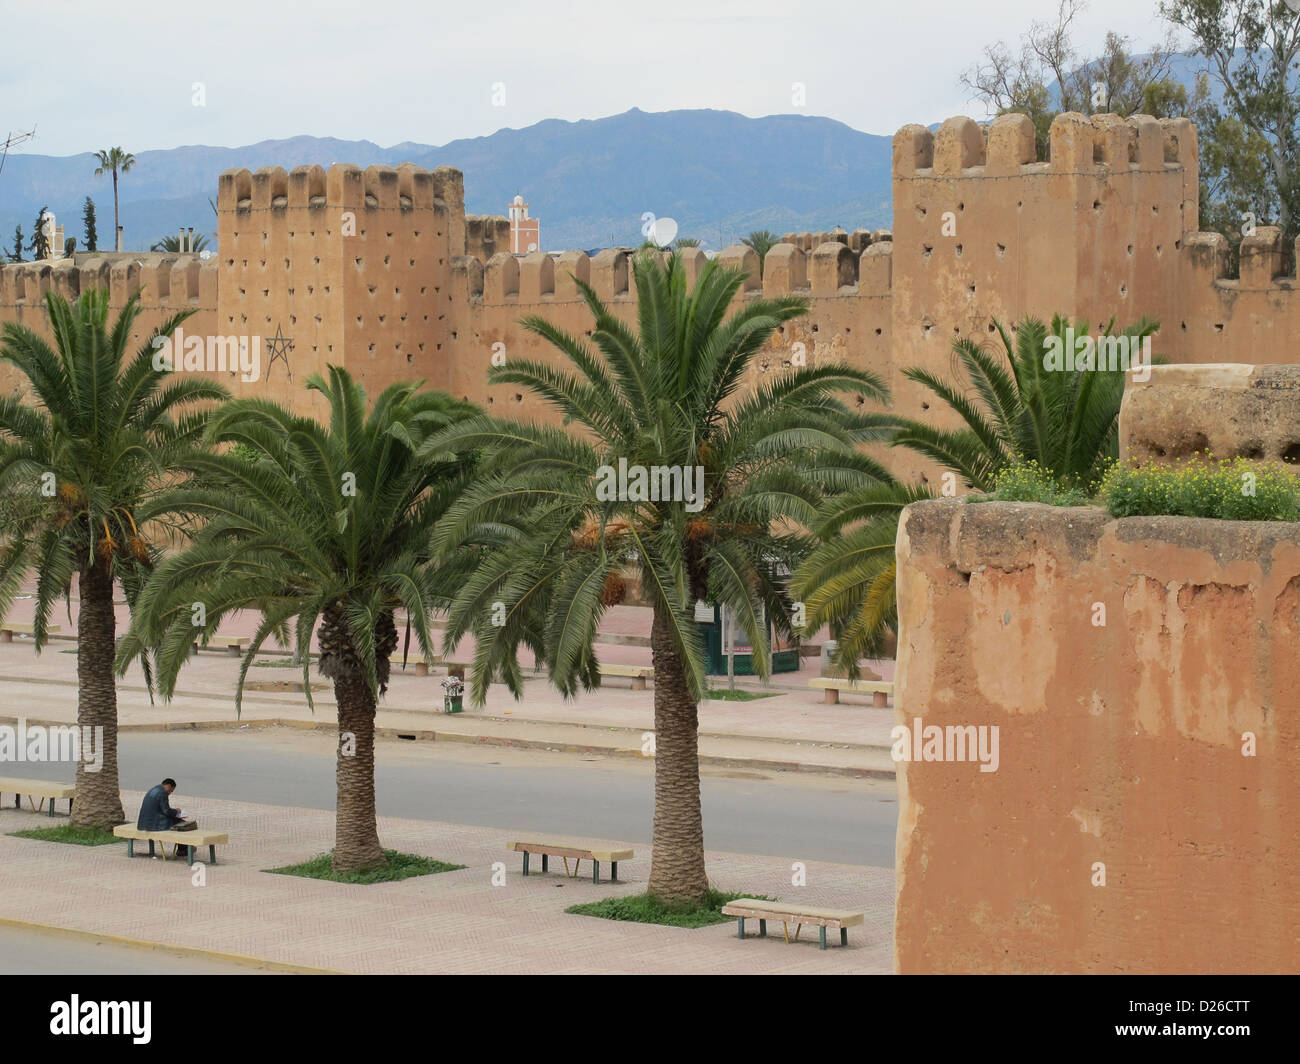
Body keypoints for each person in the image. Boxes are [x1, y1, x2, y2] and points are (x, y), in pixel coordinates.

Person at [136, 778, 197, 858]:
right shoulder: (162, 793)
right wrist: (177, 812)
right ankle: (183, 849)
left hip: (143, 823)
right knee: (182, 824)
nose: (170, 793)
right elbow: (166, 811)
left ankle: (182, 848)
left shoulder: (154, 789)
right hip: (154, 824)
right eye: (171, 791)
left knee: (178, 821)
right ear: (168, 786)